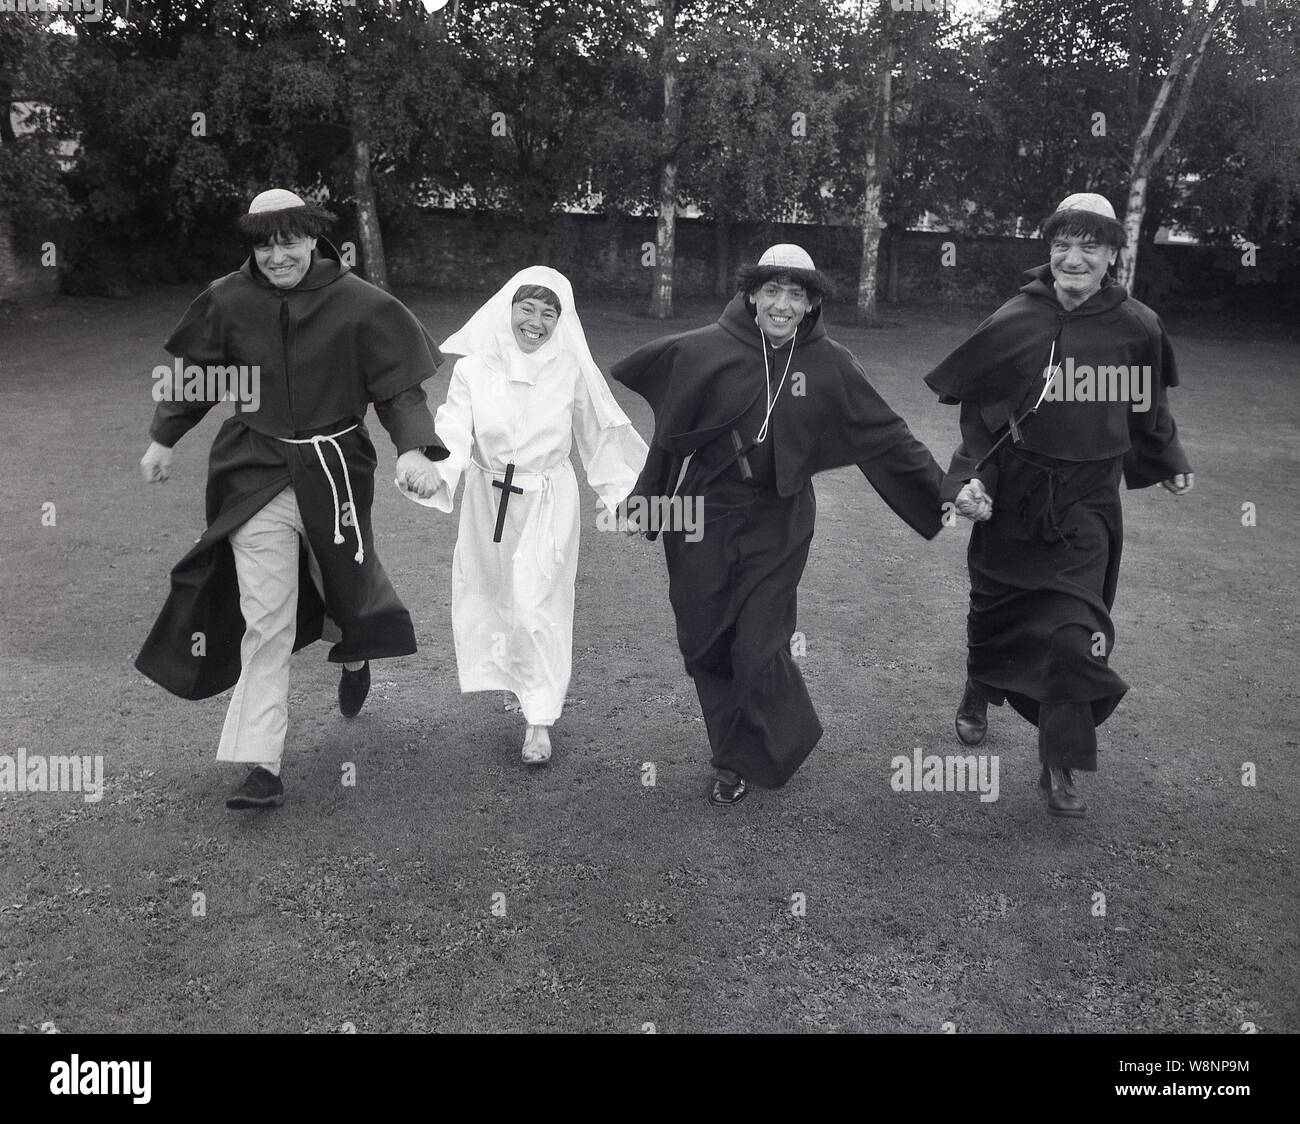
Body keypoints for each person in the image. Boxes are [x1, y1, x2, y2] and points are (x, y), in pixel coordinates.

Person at [135, 188, 447, 809]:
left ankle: (356, 651)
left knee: (346, 588)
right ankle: (260, 762)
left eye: (289, 240)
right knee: (266, 616)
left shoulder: (359, 304)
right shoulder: (228, 299)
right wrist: (163, 438)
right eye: (264, 242)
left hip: (334, 473)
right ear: (251, 244)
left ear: (312, 237)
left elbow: (399, 391)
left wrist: (413, 449)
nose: (278, 254)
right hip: (255, 471)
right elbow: (198, 378)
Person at [612, 244, 945, 806]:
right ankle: (737, 743)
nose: (783, 305)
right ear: (751, 296)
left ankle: (736, 762)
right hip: (701, 515)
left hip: (779, 519)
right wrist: (648, 500)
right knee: (705, 643)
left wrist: (945, 494)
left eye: (796, 295)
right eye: (773, 292)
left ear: (812, 304)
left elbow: (887, 436)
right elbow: (672, 433)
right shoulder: (704, 351)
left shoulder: (830, 362)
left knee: (759, 644)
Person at [925, 192, 1194, 817]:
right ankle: (978, 685)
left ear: (1111, 256)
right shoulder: (1017, 316)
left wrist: (1168, 460)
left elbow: (1147, 406)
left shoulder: (1138, 326)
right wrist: (974, 477)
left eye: (1089, 246)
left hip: (1087, 502)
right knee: (995, 607)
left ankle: (1061, 760)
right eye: (1062, 245)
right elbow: (982, 412)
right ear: (1050, 250)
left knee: (1077, 634)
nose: (1074, 258)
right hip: (1016, 492)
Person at [399, 266, 647, 763]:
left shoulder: (571, 368)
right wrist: (433, 468)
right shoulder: (474, 368)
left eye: (549, 313)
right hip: (487, 499)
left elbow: (600, 429)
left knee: (538, 605)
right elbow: (453, 426)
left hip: (547, 501)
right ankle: (516, 683)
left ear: (562, 320)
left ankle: (539, 720)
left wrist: (627, 495)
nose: (536, 322)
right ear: (507, 309)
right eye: (527, 309)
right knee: (491, 598)